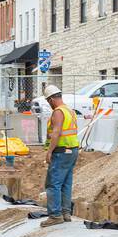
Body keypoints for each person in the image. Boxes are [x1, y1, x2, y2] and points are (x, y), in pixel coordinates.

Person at [40, 85, 80, 226]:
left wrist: (49, 151)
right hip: (72, 150)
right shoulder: (69, 110)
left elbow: (56, 133)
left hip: (61, 151)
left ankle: (55, 215)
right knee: (66, 183)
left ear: (51, 100)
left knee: (53, 183)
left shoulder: (58, 112)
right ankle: (65, 213)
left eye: (48, 102)